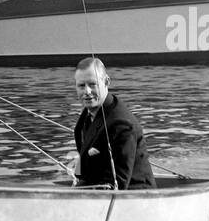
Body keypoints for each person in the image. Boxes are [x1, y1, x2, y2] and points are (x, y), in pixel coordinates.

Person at [66, 56, 156, 190]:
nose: (87, 92)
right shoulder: (87, 115)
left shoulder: (121, 124)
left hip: (136, 199)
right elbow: (85, 166)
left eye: (92, 84)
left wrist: (77, 194)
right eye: (81, 86)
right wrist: (76, 182)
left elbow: (117, 184)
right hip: (96, 189)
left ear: (106, 82)